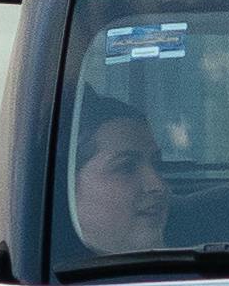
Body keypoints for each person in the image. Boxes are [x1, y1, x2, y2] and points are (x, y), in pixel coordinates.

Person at [67, 93, 169, 257]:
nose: (157, 185)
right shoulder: (38, 276)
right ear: (67, 186)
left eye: (157, 164)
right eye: (126, 167)